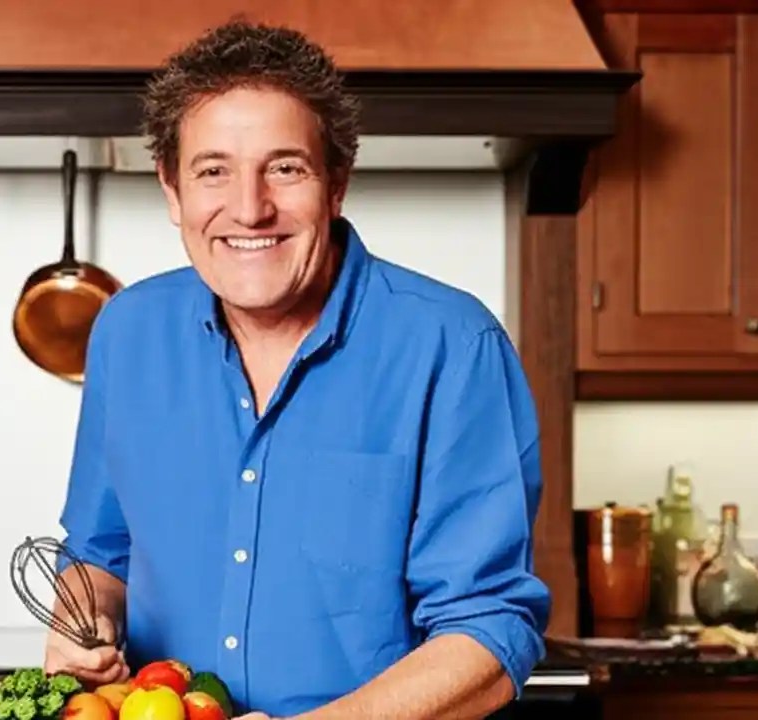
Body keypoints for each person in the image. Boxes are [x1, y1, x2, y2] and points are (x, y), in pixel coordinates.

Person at [43, 19, 550, 720]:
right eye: (213, 170)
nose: (249, 208)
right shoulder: (127, 331)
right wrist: (80, 622)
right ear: (171, 189)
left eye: (285, 167)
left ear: (337, 183)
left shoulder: (454, 347)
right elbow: (99, 551)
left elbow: (490, 631)